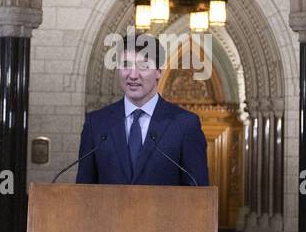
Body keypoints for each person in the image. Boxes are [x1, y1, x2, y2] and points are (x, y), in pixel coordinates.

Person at [75, 32, 209, 187]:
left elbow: (198, 194)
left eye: (143, 66)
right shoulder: (96, 124)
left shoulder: (185, 125)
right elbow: (83, 193)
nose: (133, 75)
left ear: (159, 71)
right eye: (126, 65)